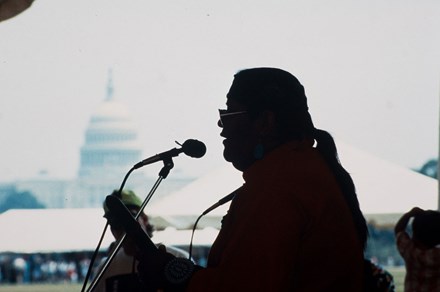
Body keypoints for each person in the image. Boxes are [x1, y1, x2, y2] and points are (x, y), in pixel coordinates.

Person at [136, 67, 368, 291]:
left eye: (230, 112)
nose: (221, 123)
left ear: (265, 122)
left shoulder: (277, 189)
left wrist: (172, 274)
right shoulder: (303, 169)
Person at [93, 189, 188, 292]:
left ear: (145, 219)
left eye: (130, 220)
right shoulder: (105, 267)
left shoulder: (178, 258)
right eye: (115, 223)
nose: (125, 229)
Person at [394, 207, 440, 291]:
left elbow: (398, 230)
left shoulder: (410, 251)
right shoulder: (438, 256)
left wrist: (408, 215)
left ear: (414, 234)